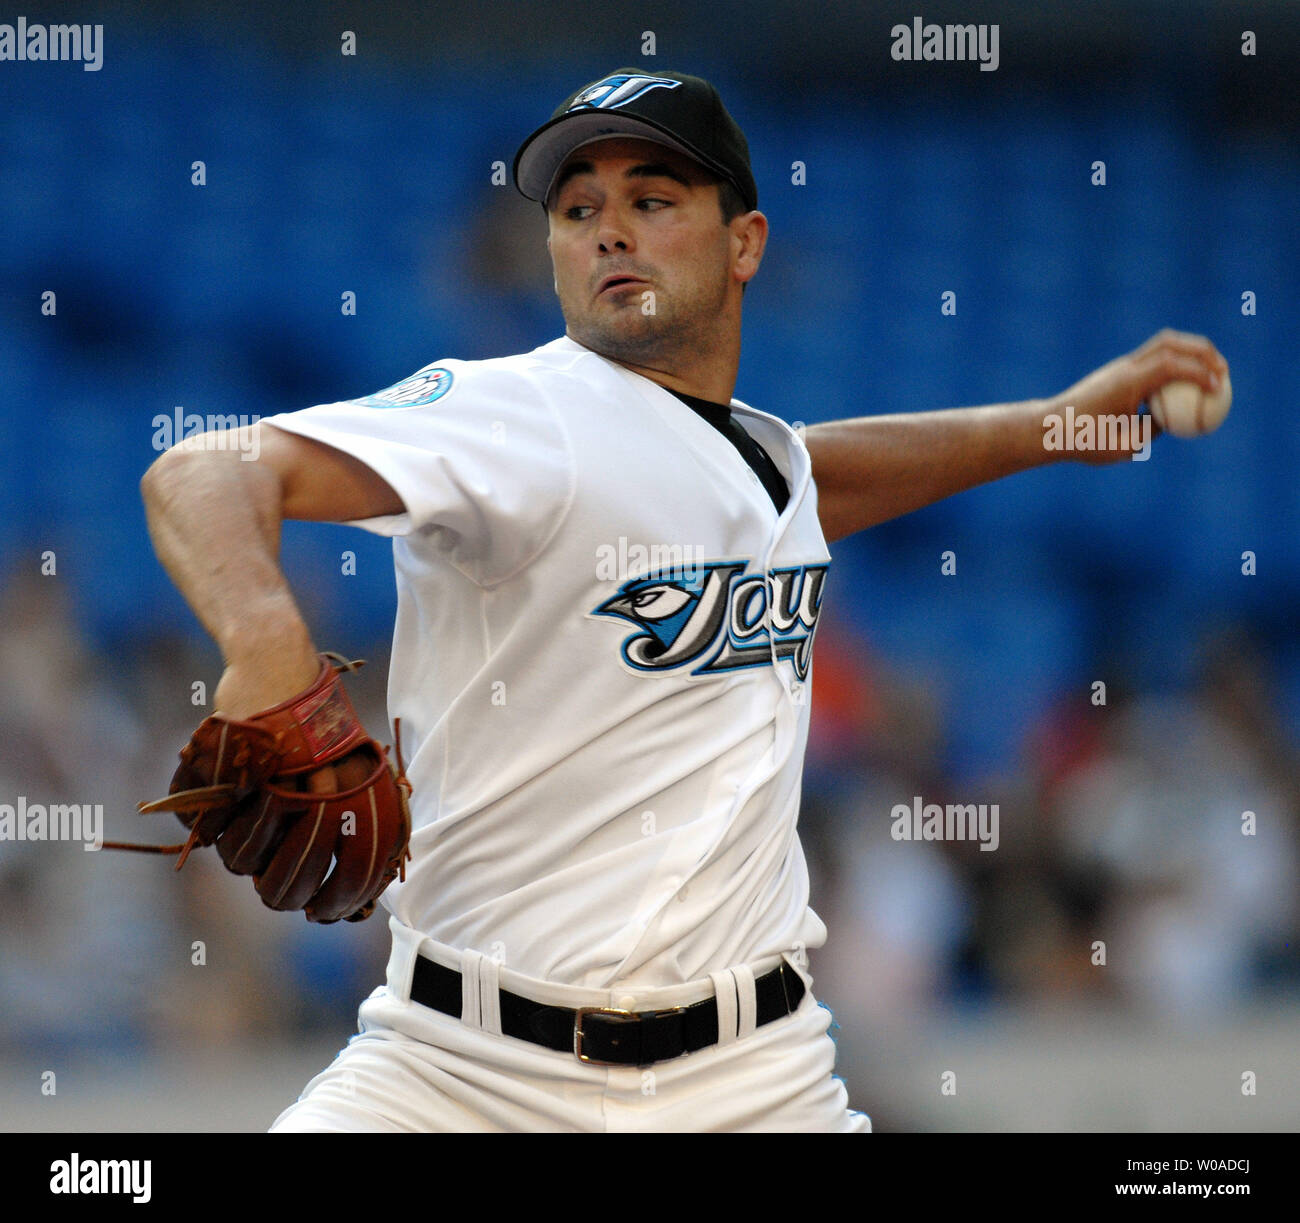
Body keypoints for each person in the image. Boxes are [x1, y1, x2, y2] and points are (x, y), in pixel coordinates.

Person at [139, 68, 1228, 1132]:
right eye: (578, 209)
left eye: (651, 201)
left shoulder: (757, 460)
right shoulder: (515, 415)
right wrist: (268, 636)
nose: (608, 229)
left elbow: (808, 477)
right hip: (464, 1076)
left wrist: (1050, 424)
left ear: (743, 241)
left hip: (756, 1077)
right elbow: (202, 470)